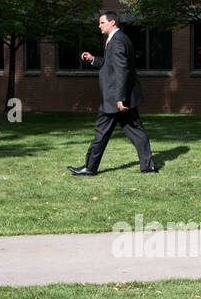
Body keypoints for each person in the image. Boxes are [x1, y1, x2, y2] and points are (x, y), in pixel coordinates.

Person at [67, 10, 157, 175]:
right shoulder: (118, 39)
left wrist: (119, 98)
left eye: (102, 22)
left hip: (115, 98)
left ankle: (90, 167)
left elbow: (122, 71)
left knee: (101, 133)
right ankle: (148, 166)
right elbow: (111, 65)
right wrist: (93, 59)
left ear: (112, 22)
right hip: (122, 97)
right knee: (136, 131)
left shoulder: (117, 41)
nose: (99, 25)